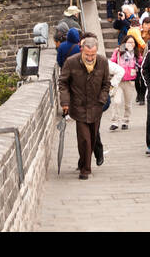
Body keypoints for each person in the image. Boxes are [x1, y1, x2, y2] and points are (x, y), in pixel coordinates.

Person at [58, 36, 112, 179]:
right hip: (79, 106)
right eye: (87, 54)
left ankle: (83, 161)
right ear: (82, 50)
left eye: (92, 54)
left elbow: (106, 83)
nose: (90, 57)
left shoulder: (102, 62)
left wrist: (102, 99)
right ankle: (85, 170)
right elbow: (63, 83)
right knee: (84, 139)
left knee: (93, 138)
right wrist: (65, 102)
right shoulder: (71, 62)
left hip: (96, 106)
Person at [108, 38, 140, 131]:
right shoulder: (118, 51)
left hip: (130, 81)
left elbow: (140, 63)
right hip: (118, 80)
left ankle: (126, 121)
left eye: (132, 42)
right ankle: (115, 122)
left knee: (128, 104)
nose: (130, 44)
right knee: (116, 101)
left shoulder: (136, 53)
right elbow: (112, 62)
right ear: (124, 42)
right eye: (128, 42)